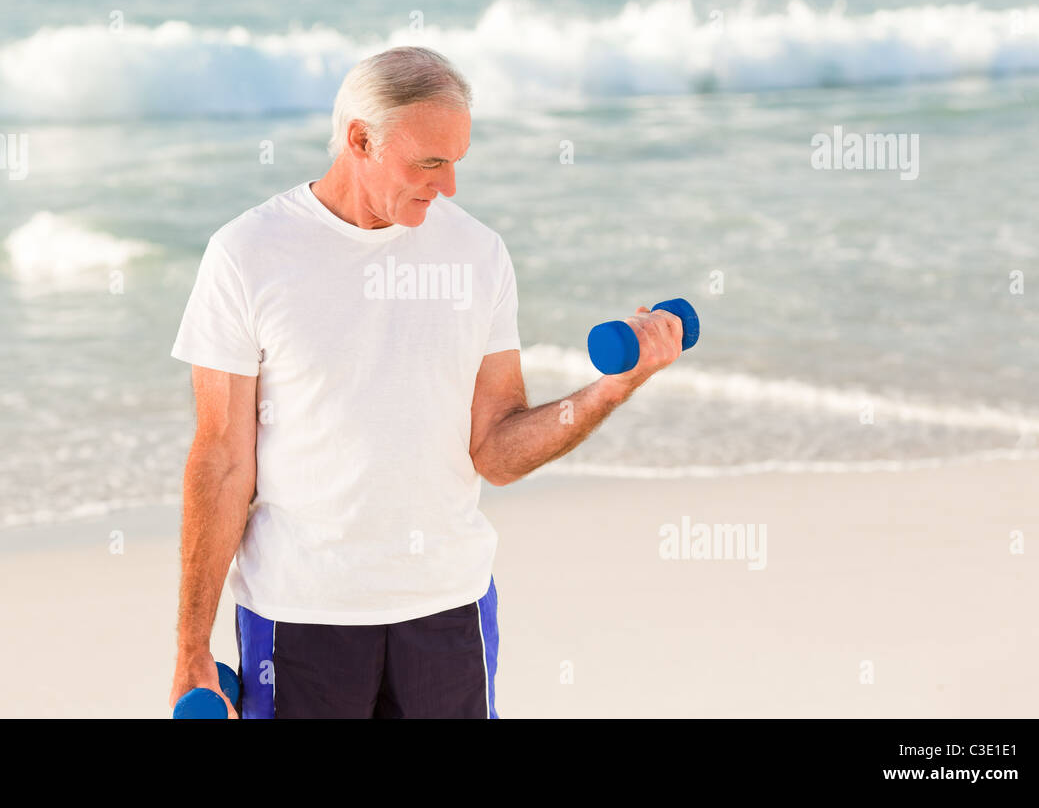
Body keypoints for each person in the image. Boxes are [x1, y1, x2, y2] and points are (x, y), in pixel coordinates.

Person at [168, 46, 684, 718]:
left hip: (448, 609)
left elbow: (495, 451)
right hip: (299, 615)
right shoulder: (248, 254)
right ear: (360, 139)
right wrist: (190, 647)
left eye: (456, 162)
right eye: (430, 163)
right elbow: (223, 458)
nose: (448, 186)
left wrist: (610, 390)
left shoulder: (477, 253)